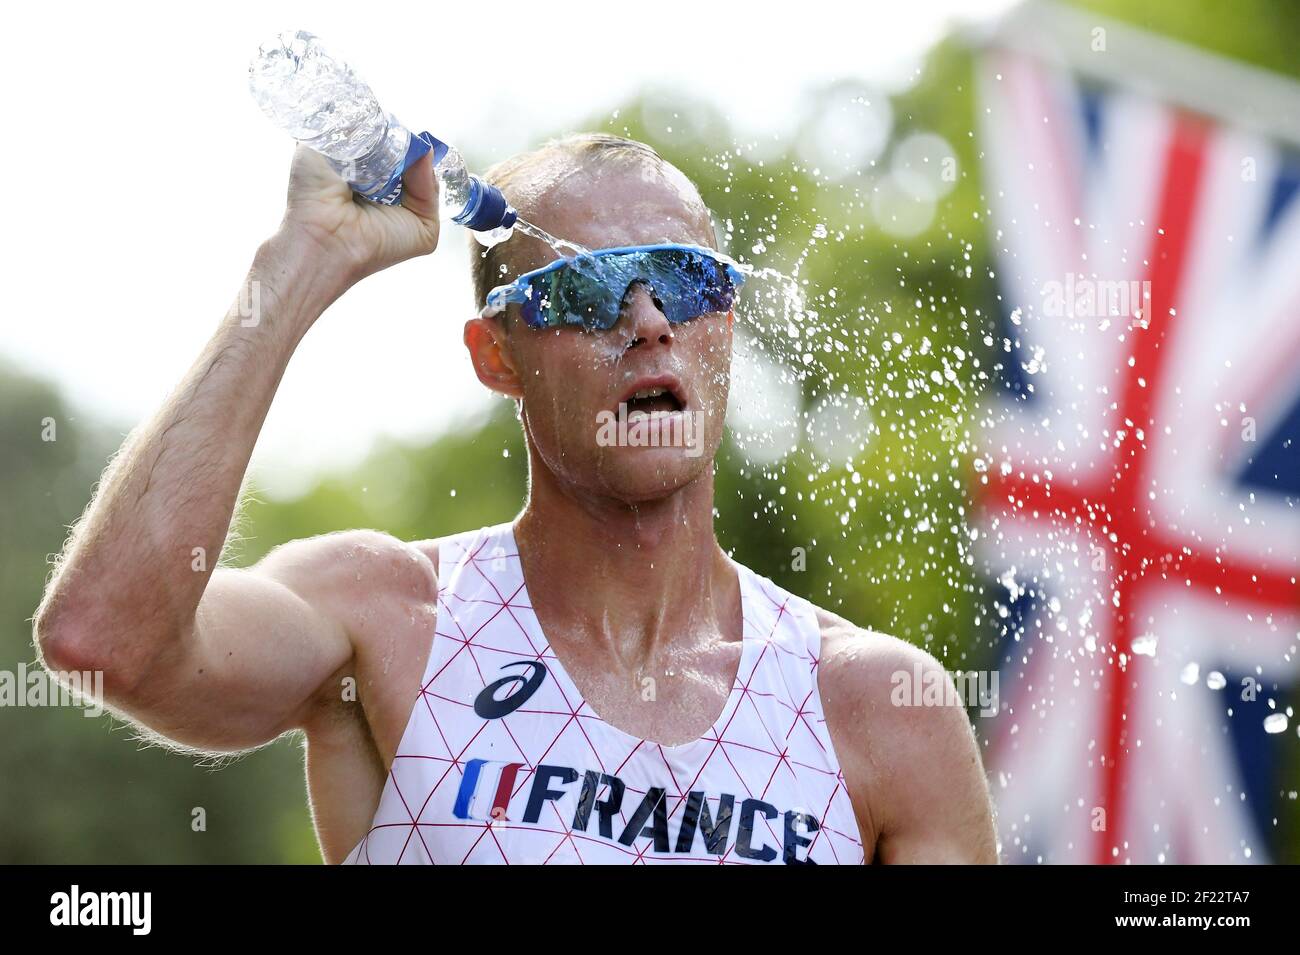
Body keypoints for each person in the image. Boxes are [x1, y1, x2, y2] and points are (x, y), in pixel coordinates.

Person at [34, 132, 997, 864]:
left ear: (725, 324)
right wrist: (294, 268)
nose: (652, 322)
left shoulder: (876, 705)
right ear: (497, 356)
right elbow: (102, 641)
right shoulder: (391, 617)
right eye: (590, 290)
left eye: (686, 281)